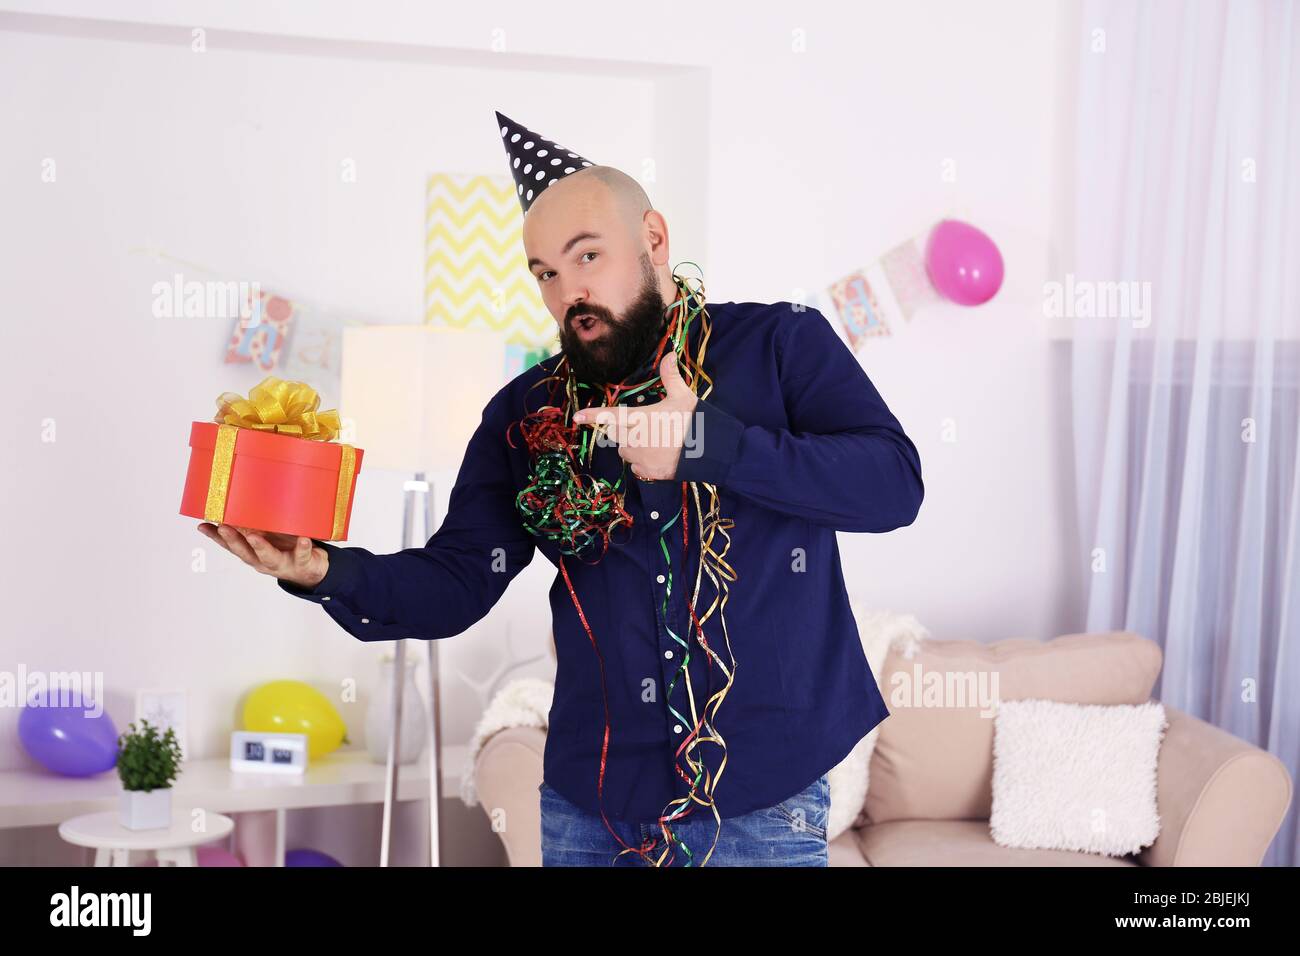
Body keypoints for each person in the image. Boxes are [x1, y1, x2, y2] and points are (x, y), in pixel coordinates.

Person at [197, 111, 924, 867]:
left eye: (587, 256)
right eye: (545, 272)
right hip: (592, 812)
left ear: (653, 239)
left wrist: (707, 443)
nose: (568, 290)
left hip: (763, 803)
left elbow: (892, 486)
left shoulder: (781, 344)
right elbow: (459, 580)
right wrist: (322, 571)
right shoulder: (523, 412)